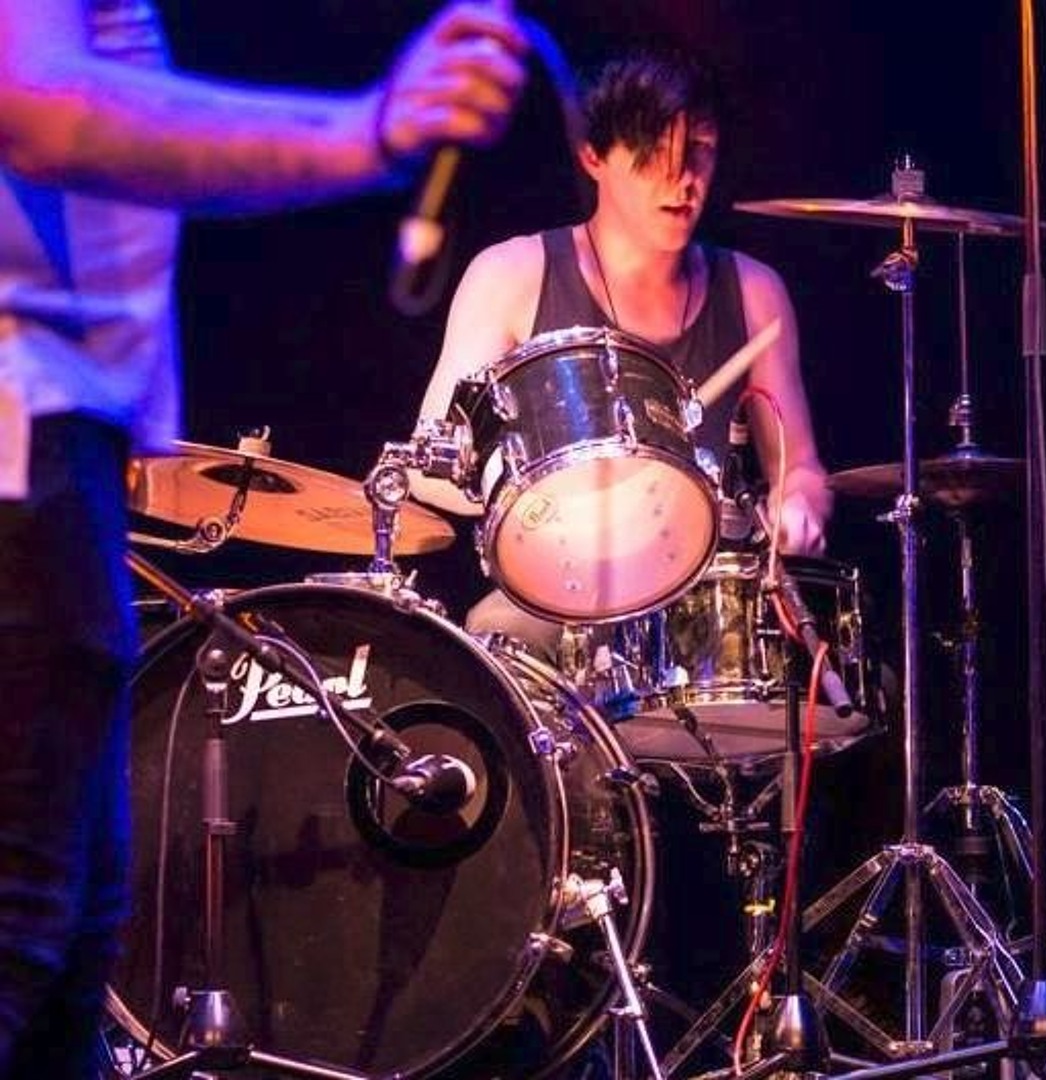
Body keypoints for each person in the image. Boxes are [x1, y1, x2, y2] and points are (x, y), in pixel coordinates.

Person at [0, 2, 527, 1076]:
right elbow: (39, 105)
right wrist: (368, 130)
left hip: (62, 441)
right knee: (25, 923)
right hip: (25, 438)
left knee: (65, 950)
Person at [410, 46, 832, 657]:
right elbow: (429, 463)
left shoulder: (755, 292)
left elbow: (802, 469)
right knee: (503, 641)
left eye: (699, 150)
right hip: (557, 599)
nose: (682, 180)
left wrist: (797, 506)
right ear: (593, 156)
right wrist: (547, 501)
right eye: (653, 154)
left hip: (707, 612)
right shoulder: (512, 275)